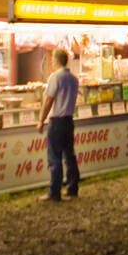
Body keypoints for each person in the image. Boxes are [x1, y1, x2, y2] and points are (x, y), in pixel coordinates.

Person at [37, 48, 80, 202]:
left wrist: (41, 120)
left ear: (55, 60)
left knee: (54, 157)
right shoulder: (74, 78)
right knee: (70, 155)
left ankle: (54, 192)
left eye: (52, 59)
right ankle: (72, 189)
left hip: (56, 121)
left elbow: (48, 100)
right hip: (68, 120)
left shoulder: (55, 77)